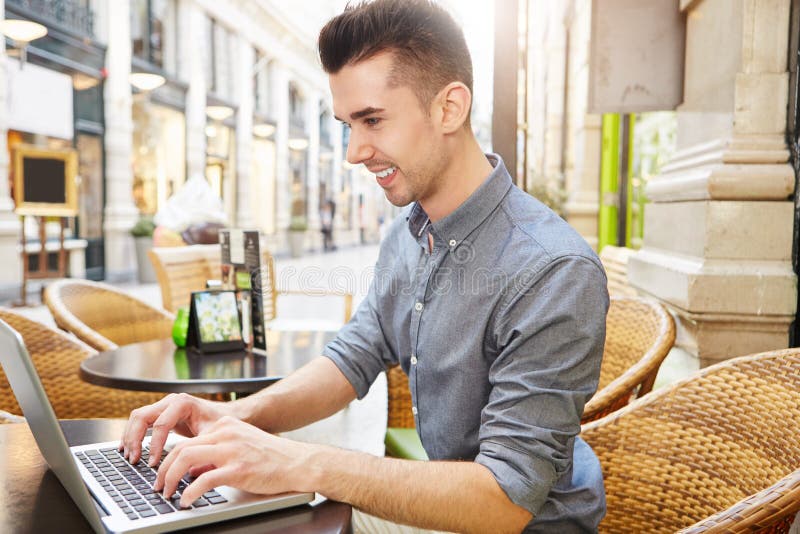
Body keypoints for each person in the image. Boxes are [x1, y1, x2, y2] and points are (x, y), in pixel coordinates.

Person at [118, 1, 609, 532]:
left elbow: (504, 501)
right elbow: (355, 354)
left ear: (450, 108)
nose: (354, 152)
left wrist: (301, 463)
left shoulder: (554, 271)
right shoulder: (408, 228)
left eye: (372, 120)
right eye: (348, 124)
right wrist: (233, 416)